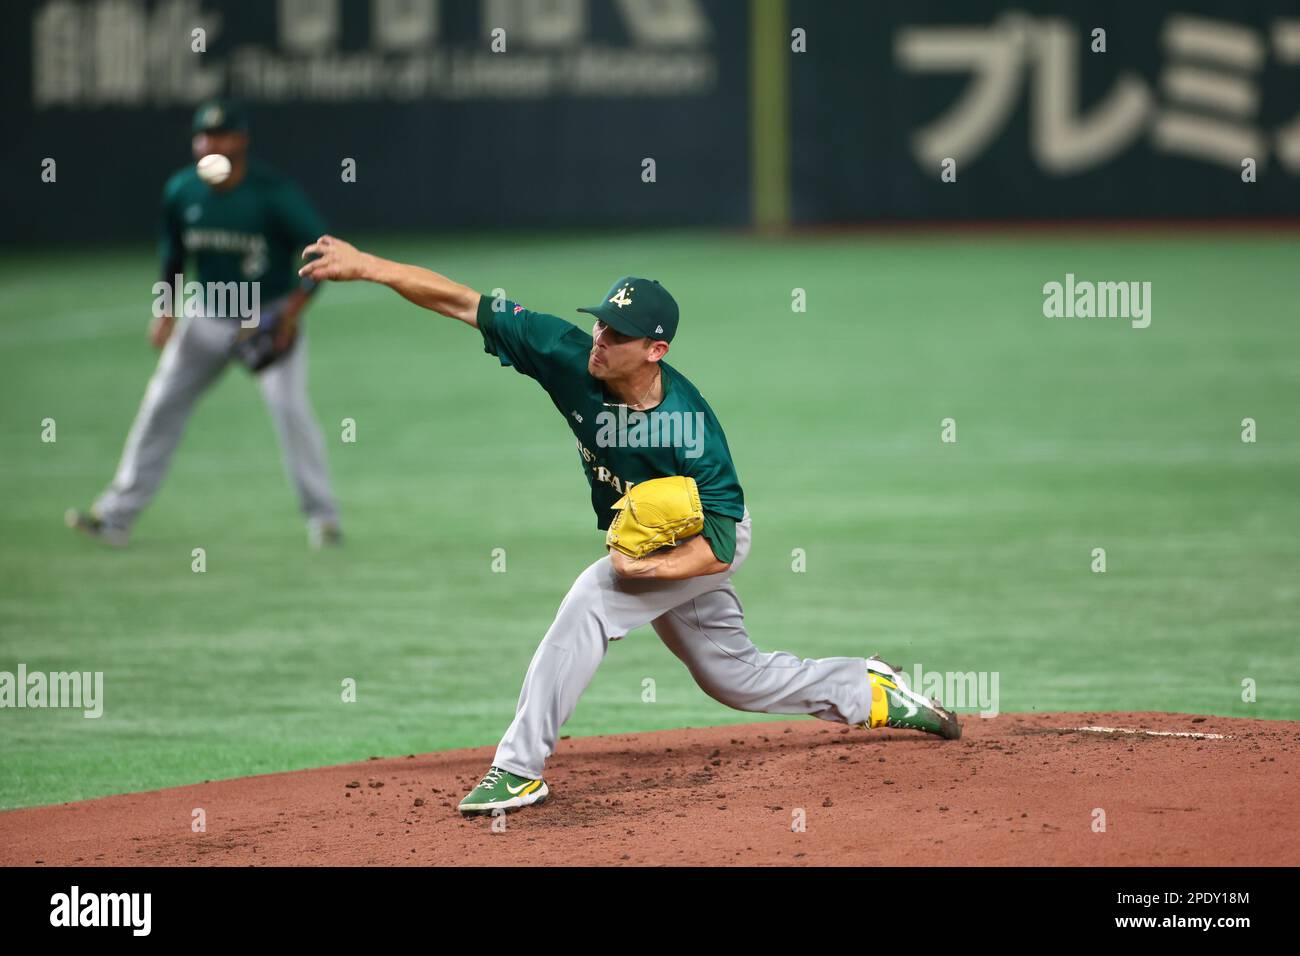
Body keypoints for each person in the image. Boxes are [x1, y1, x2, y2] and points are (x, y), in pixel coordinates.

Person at [297, 234, 961, 816]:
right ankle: (866, 688)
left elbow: (724, 545)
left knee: (592, 598)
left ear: (655, 349)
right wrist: (370, 266)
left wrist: (648, 570)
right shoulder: (567, 357)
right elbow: (464, 302)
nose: (599, 340)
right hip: (651, 543)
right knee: (734, 678)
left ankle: (518, 770)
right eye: (600, 325)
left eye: (617, 336)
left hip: (706, 541)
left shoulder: (692, 430)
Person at [66, 99, 341, 549]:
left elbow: (324, 251)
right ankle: (115, 518)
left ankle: (323, 519)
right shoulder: (182, 191)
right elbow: (172, 257)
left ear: (242, 140)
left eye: (221, 135)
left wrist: (289, 315)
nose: (211, 143)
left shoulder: (272, 193)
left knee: (291, 412)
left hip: (265, 317)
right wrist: (164, 309)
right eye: (203, 136)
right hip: (207, 316)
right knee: (160, 407)